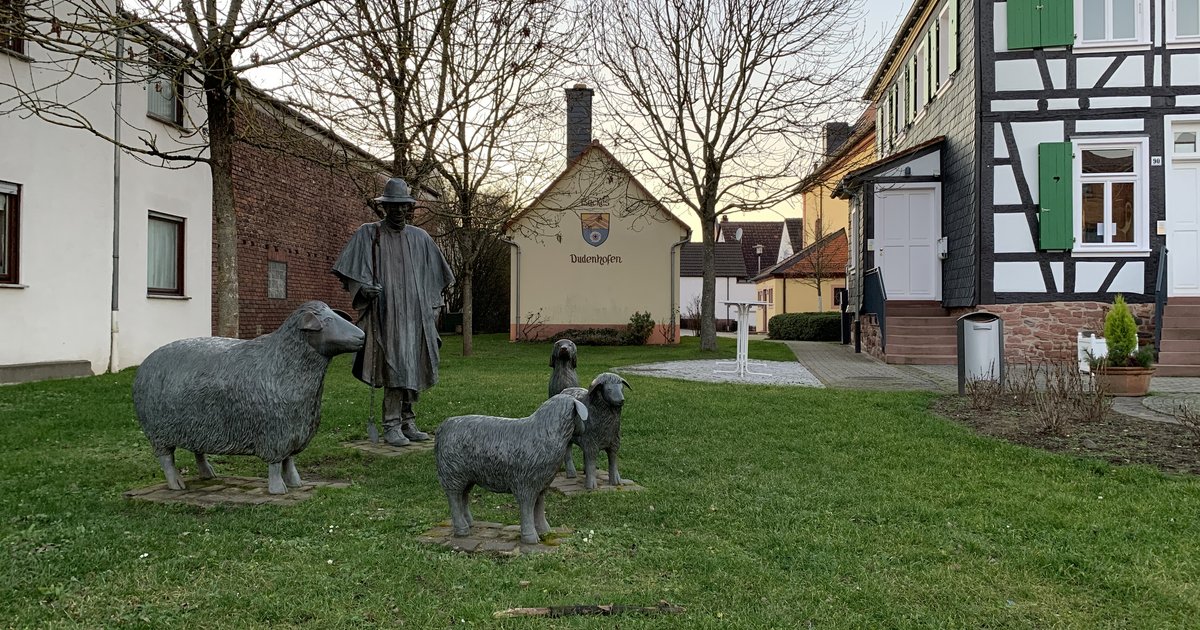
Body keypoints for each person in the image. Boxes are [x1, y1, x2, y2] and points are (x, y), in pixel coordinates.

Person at [333, 178, 455, 446]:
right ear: (385, 207)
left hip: (416, 315)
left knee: (414, 364)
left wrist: (433, 309)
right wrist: (364, 290)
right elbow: (350, 272)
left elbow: (438, 276)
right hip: (387, 315)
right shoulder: (370, 234)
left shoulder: (421, 238)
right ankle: (391, 424)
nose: (399, 211)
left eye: (403, 206)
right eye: (393, 206)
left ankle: (408, 420)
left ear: (409, 208)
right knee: (395, 365)